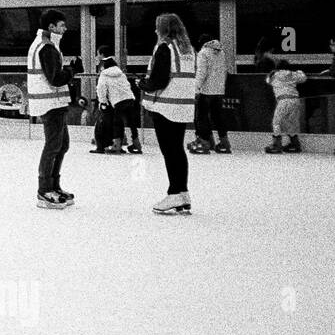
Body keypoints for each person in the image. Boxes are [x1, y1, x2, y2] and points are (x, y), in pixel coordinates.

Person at [141, 13, 197, 214]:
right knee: (177, 150)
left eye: (157, 27)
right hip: (182, 107)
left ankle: (174, 192)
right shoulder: (187, 50)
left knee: (170, 151)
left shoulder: (165, 48)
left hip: (165, 107)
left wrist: (142, 84)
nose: (155, 31)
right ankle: (182, 192)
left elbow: (158, 80)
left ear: (163, 29)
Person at [27, 9, 76, 209]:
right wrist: (73, 71)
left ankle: (53, 186)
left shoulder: (48, 44)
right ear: (51, 27)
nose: (65, 28)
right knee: (54, 145)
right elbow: (55, 78)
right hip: (50, 103)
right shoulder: (47, 47)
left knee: (61, 145)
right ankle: (44, 189)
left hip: (53, 102)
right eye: (62, 25)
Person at [189, 32, 231, 154]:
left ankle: (204, 142)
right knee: (218, 117)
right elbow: (224, 70)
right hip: (219, 91)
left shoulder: (203, 53)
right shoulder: (221, 53)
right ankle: (224, 143)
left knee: (201, 117)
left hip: (206, 90)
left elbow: (202, 72)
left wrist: (196, 88)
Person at [92, 46, 135, 155]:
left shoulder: (103, 67)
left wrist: (103, 102)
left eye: (97, 54)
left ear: (101, 54)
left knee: (113, 121)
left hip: (116, 100)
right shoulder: (117, 69)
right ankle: (134, 141)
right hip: (129, 97)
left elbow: (101, 87)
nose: (97, 57)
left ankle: (112, 145)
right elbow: (126, 84)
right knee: (128, 122)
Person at [264, 58, 307, 154]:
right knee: (292, 123)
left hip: (283, 100)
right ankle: (295, 144)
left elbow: (267, 80)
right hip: (295, 100)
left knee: (276, 122)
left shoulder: (274, 75)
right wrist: (298, 71)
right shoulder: (293, 74)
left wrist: (271, 72)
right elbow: (303, 78)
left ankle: (276, 144)